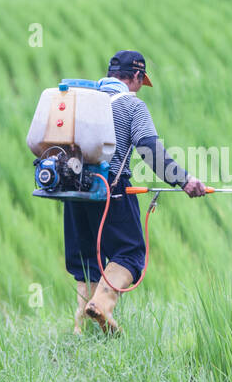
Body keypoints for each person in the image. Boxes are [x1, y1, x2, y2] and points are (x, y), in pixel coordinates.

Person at [66, 50, 206, 335]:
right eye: (142, 81)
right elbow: (150, 152)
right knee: (130, 253)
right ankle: (102, 305)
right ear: (137, 77)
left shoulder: (81, 101)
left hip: (72, 190)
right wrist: (183, 180)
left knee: (86, 261)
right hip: (112, 190)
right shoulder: (132, 105)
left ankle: (81, 328)